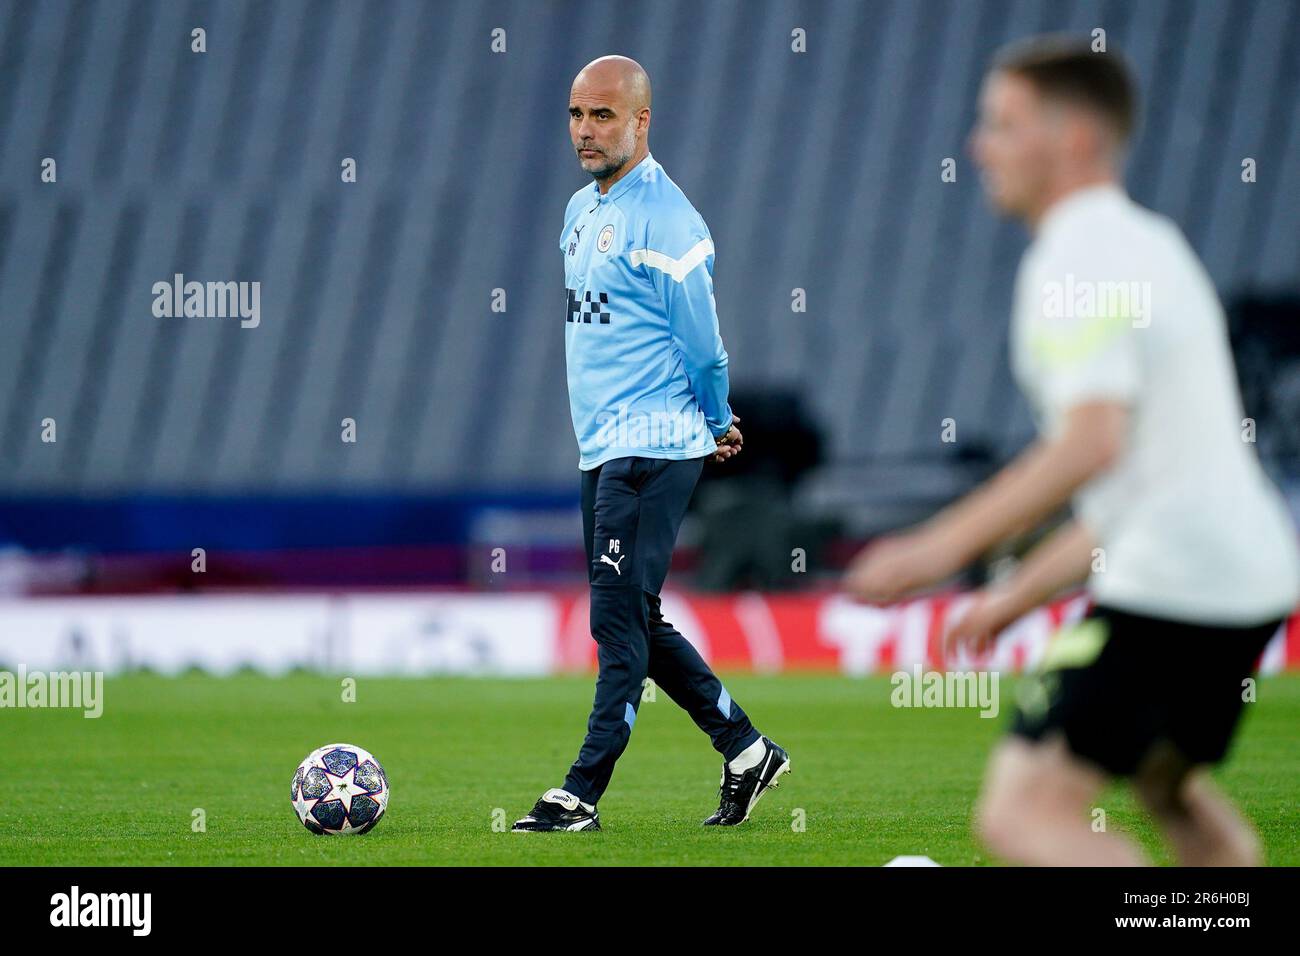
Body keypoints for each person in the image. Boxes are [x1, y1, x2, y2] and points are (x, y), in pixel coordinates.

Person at [845, 36, 1300, 865]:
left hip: (1179, 584)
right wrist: (1015, 596)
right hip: (1248, 576)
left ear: (1077, 138)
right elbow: (1135, 487)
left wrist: (939, 546)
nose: (979, 146)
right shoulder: (1150, 243)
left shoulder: (1076, 259)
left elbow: (1092, 442)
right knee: (1166, 785)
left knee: (1025, 813)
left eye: (1003, 124)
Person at [513, 55, 790, 832]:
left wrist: (713, 416)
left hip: (652, 444)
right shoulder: (579, 210)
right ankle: (745, 749)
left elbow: (704, 347)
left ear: (642, 121)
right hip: (603, 445)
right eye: (575, 114)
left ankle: (580, 791)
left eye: (603, 115)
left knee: (615, 623)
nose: (584, 130)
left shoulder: (671, 222)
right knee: (636, 612)